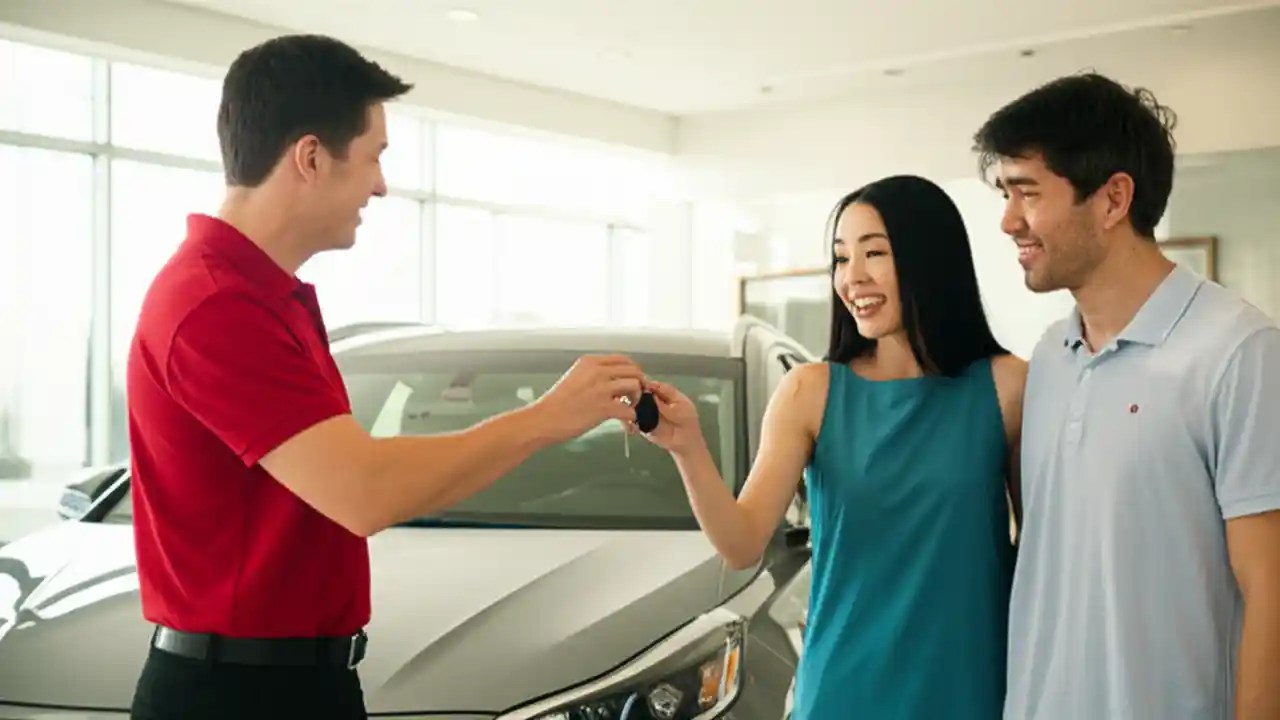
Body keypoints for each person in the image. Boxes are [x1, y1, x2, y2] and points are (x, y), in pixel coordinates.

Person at [125, 34, 645, 720]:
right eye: (373, 157)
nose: (380, 184)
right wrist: (546, 419)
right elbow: (365, 490)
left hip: (292, 681)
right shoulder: (217, 305)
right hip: (241, 697)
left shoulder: (260, 296)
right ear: (310, 157)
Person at [639, 174, 1026, 718]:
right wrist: (687, 446)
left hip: (972, 689)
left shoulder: (1008, 388)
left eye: (875, 253)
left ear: (930, 260)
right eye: (841, 258)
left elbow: (1043, 555)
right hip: (845, 690)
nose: (853, 278)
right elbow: (743, 542)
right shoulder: (811, 391)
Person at [974, 72, 1280, 720]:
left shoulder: (1238, 351)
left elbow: (1271, 590)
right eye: (1005, 193)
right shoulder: (1052, 357)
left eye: (1026, 192)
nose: (1007, 221)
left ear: (1113, 199)